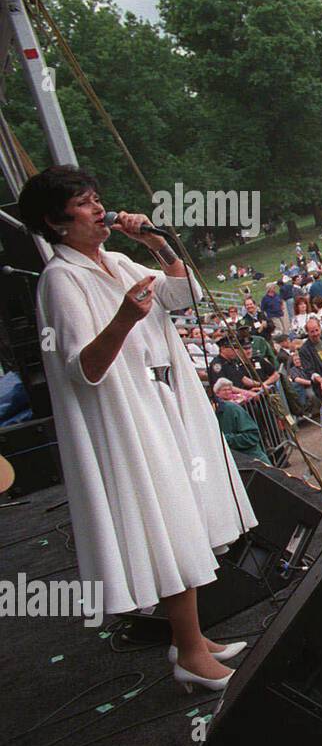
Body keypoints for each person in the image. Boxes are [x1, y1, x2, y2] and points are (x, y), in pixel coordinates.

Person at [26, 166, 255, 692]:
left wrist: (155, 243)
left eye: (95, 197)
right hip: (129, 415)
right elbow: (82, 368)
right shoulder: (61, 280)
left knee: (185, 514)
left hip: (163, 400)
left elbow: (184, 296)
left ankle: (191, 639)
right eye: (84, 203)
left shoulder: (115, 259)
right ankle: (191, 653)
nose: (98, 208)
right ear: (56, 222)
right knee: (165, 522)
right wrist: (126, 318)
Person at [211, 379, 271, 466]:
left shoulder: (232, 408)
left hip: (253, 462)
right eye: (224, 390)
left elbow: (252, 436)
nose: (227, 392)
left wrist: (224, 440)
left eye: (229, 389)